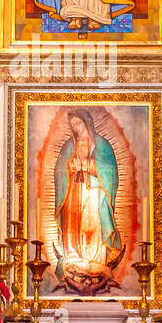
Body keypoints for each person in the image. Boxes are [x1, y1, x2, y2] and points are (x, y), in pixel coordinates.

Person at [53, 110, 122, 285]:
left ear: (87, 123)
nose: (76, 128)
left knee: (91, 225)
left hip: (93, 193)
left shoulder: (102, 145)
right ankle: (74, 258)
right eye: (73, 125)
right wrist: (70, 167)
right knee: (74, 225)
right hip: (73, 192)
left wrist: (91, 165)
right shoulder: (69, 146)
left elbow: (111, 173)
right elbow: (59, 172)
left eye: (79, 124)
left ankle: (95, 261)